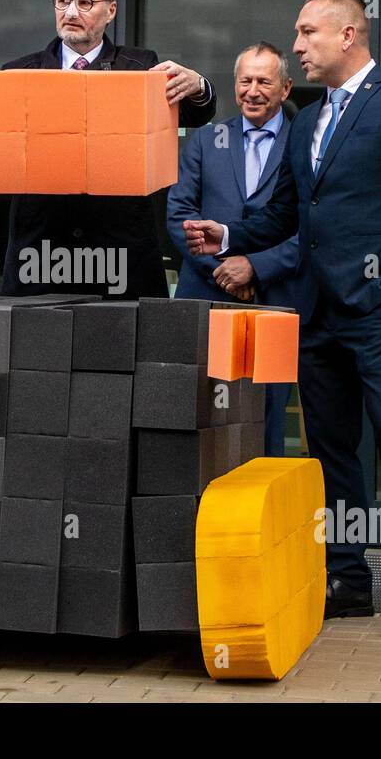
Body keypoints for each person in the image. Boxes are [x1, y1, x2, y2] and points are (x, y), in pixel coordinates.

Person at [184, 0, 381, 637]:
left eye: (307, 34)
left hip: (380, 310)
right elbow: (285, 214)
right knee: (332, 447)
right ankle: (347, 577)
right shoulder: (306, 122)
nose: (297, 47)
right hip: (316, 313)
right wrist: (226, 236)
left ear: (349, 34)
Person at [0, 0, 217, 300]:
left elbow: (194, 113)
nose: (71, 12)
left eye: (84, 2)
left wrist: (199, 85)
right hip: (43, 250)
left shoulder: (140, 66)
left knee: (120, 348)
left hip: (119, 250)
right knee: (40, 350)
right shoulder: (17, 72)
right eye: (62, 2)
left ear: (111, 10)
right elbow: (0, 155)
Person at [168, 41, 297, 456]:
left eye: (264, 81)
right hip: (204, 297)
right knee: (196, 413)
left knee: (267, 418)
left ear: (286, 89)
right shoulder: (207, 139)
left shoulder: (305, 143)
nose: (253, 90)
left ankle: (262, 516)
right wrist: (224, 270)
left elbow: (314, 227)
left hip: (274, 297)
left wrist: (255, 267)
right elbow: (179, 216)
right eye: (245, 80)